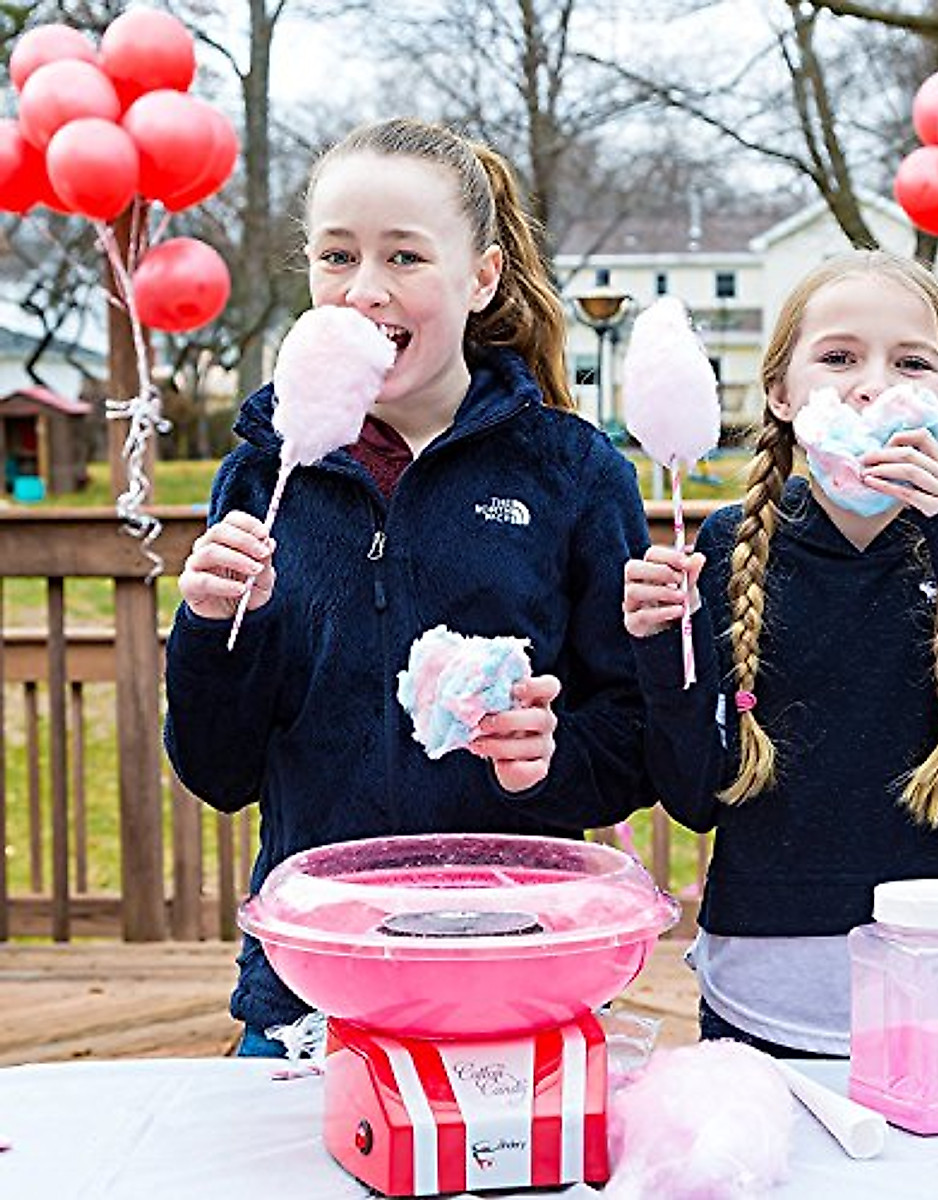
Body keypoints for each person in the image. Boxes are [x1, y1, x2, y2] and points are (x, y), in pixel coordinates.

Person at [165, 117, 653, 1055]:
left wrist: (549, 754)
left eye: (405, 256)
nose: (365, 289)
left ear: (483, 277)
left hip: (519, 973)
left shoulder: (573, 474)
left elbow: (635, 741)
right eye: (337, 256)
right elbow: (217, 772)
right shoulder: (264, 478)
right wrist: (213, 625)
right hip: (313, 986)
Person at [623, 250, 938, 1059]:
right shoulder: (726, 544)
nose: (872, 385)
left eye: (911, 364)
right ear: (781, 395)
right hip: (763, 988)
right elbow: (692, 796)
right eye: (838, 357)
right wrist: (660, 648)